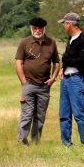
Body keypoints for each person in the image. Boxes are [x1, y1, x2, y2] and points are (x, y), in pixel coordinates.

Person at [14, 17, 60, 145]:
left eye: (40, 28)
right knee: (26, 115)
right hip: (28, 84)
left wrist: (53, 78)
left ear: (44, 29)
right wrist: (24, 82)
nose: (38, 30)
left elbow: (56, 62)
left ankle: (36, 141)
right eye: (35, 28)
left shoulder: (51, 43)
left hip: (44, 86)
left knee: (40, 116)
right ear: (31, 28)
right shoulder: (24, 43)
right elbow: (18, 63)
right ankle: (22, 142)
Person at [57, 12, 84, 147]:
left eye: (64, 24)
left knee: (79, 113)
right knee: (64, 113)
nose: (63, 27)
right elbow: (68, 57)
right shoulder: (71, 39)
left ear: (70, 24)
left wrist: (67, 60)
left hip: (77, 80)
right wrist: (63, 68)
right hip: (66, 79)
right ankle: (66, 142)